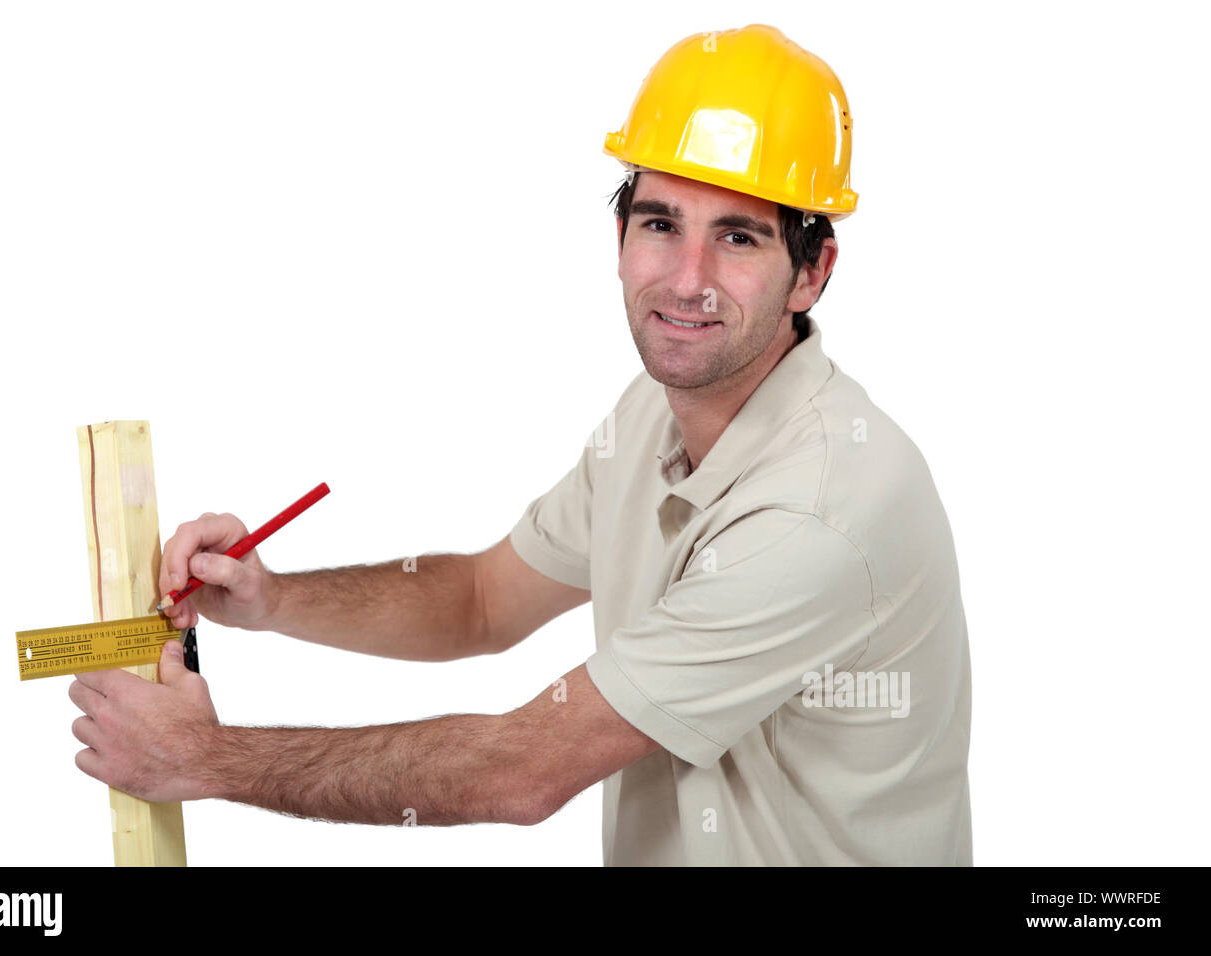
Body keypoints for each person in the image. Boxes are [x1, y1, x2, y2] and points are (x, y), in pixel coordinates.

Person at [68, 24, 972, 866]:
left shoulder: (821, 509)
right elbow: (479, 601)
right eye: (661, 223)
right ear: (619, 237)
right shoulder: (654, 416)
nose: (686, 280)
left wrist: (203, 758)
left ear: (812, 271)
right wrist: (269, 600)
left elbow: (521, 771)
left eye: (737, 236)